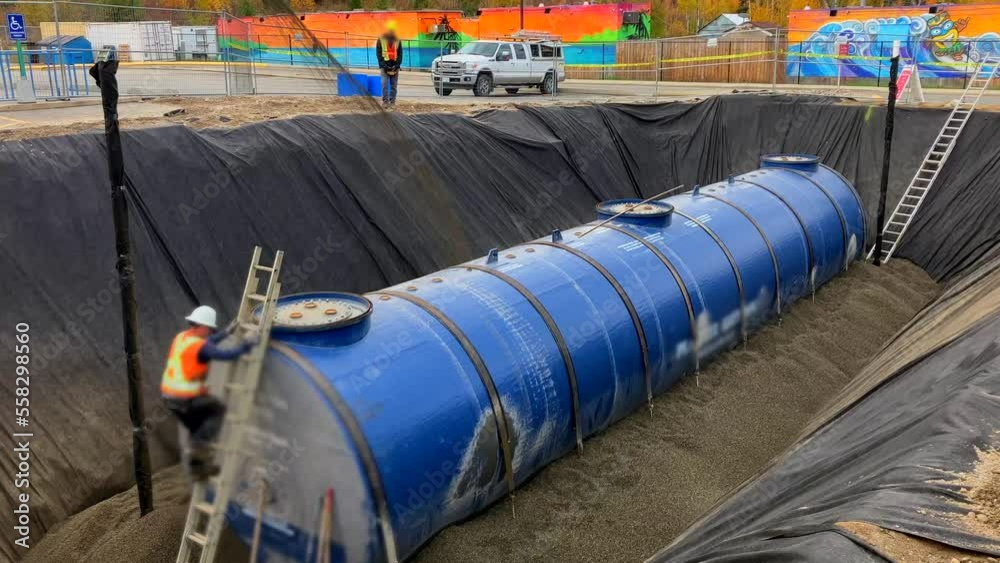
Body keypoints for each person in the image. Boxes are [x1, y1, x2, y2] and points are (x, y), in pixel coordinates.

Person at [160, 305, 257, 479]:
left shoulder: (182, 338)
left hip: (169, 397)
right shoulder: (201, 347)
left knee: (196, 427)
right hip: (185, 398)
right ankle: (197, 452)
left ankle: (199, 468)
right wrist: (248, 344)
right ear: (204, 327)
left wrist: (227, 332)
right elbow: (227, 355)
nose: (211, 333)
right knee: (217, 410)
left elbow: (209, 342)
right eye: (211, 330)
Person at [376, 20, 403, 108]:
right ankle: (385, 102)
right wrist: (384, 66)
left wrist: (397, 65)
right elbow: (379, 54)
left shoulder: (398, 40)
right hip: (385, 65)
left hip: (395, 65)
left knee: (394, 85)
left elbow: (400, 54)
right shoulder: (381, 40)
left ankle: (392, 102)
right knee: (384, 84)